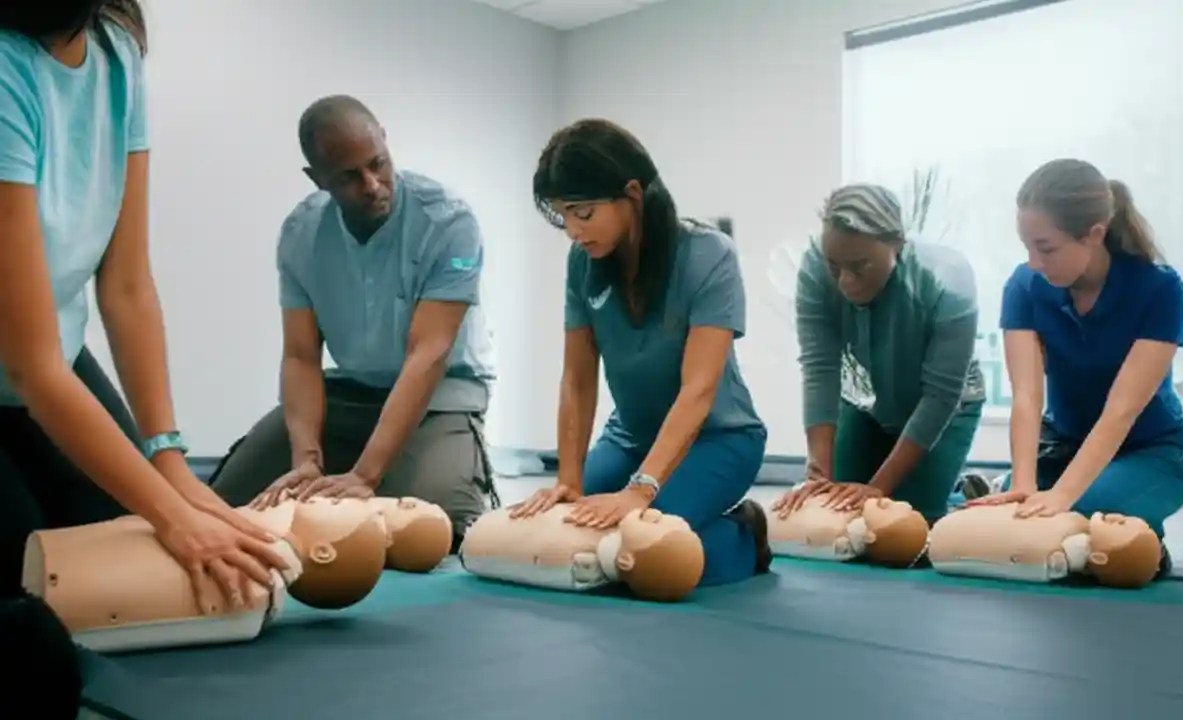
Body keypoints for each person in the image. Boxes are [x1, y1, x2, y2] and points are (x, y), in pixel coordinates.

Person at [0, 1, 288, 613]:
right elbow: (30, 367)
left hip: (54, 354)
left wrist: (171, 464)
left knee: (125, 540)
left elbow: (127, 285)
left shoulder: (115, 52)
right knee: (25, 585)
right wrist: (170, 512)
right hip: (30, 362)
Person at [209, 95, 500, 552]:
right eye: (349, 176)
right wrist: (306, 458)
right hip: (348, 393)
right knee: (225, 508)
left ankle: (448, 473)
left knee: (436, 529)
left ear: (385, 139)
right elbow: (301, 356)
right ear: (317, 179)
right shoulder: (300, 233)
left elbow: (429, 354)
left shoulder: (448, 222)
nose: (372, 185)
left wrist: (367, 475)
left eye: (378, 164)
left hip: (440, 397)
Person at [509, 118, 772, 586]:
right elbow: (577, 378)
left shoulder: (709, 255)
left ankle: (747, 534)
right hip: (631, 438)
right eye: (561, 215)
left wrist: (640, 490)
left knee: (643, 550)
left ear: (631, 193)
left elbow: (699, 388)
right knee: (558, 531)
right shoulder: (583, 263)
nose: (571, 230)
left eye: (582, 213)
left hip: (720, 440)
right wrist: (568, 479)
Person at [969, 158, 1183, 562]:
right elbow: (1026, 397)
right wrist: (1024, 483)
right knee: (989, 515)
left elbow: (1120, 412)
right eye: (1027, 248)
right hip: (1063, 446)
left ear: (1094, 235)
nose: (1034, 263)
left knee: (1079, 512)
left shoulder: (1160, 288)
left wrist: (1062, 495)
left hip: (1152, 451)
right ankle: (1009, 484)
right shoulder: (1024, 285)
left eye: (1046, 249)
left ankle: (1138, 535)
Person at [771, 184, 986, 525]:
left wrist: (878, 489)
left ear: (897, 245)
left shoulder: (948, 282)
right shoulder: (815, 266)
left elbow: (940, 396)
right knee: (834, 511)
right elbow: (819, 368)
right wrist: (817, 475)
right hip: (869, 403)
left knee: (902, 524)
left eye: (859, 267)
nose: (844, 281)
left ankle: (962, 492)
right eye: (835, 266)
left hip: (947, 406)